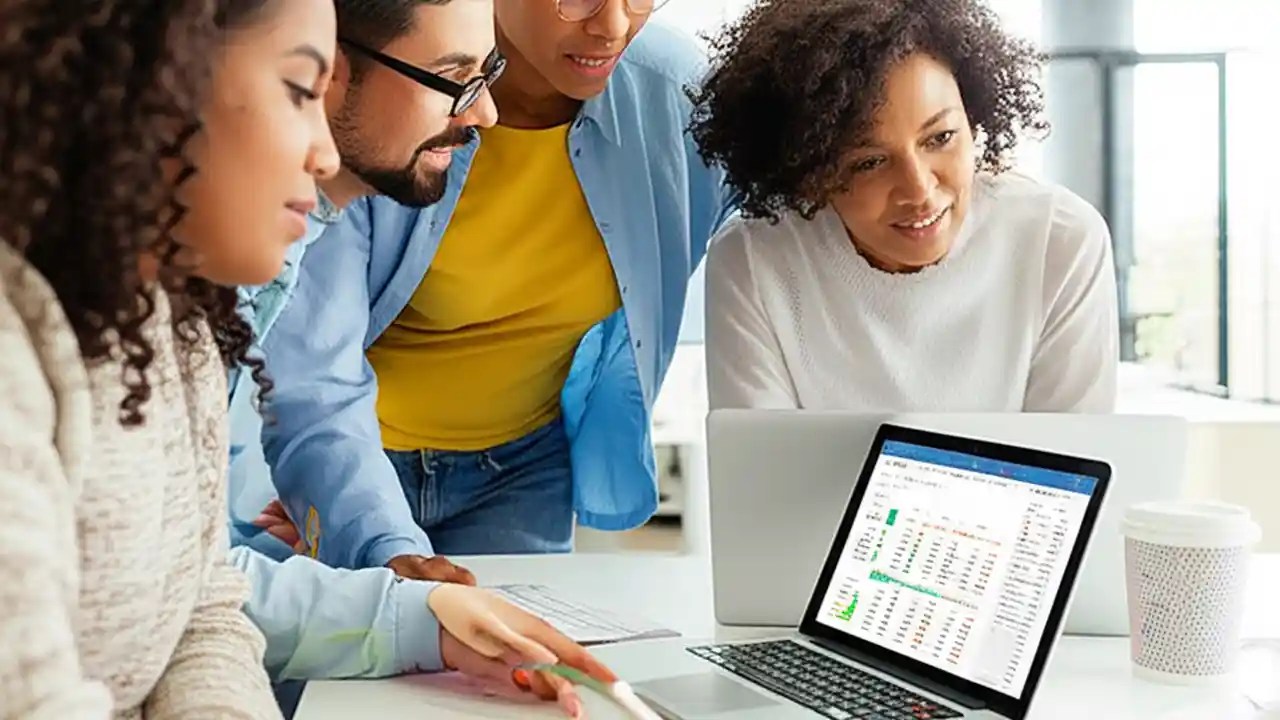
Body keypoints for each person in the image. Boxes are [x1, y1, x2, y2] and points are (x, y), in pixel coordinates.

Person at [0, 1, 608, 717]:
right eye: (300, 90)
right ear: (155, 85)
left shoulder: (181, 331)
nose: (323, 155)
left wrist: (420, 618)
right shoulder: (24, 358)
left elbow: (200, 609)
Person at [233, 0, 735, 578]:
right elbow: (311, 373)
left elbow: (804, 209)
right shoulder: (385, 94)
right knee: (342, 646)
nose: (614, 25)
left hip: (527, 467)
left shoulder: (679, 99)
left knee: (503, 659)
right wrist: (354, 519)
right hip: (353, 452)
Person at [691, 0, 1119, 414]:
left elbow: (1074, 469)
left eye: (940, 138)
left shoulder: (1059, 241)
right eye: (870, 162)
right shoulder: (755, 261)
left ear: (973, 119)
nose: (919, 189)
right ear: (808, 171)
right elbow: (758, 474)